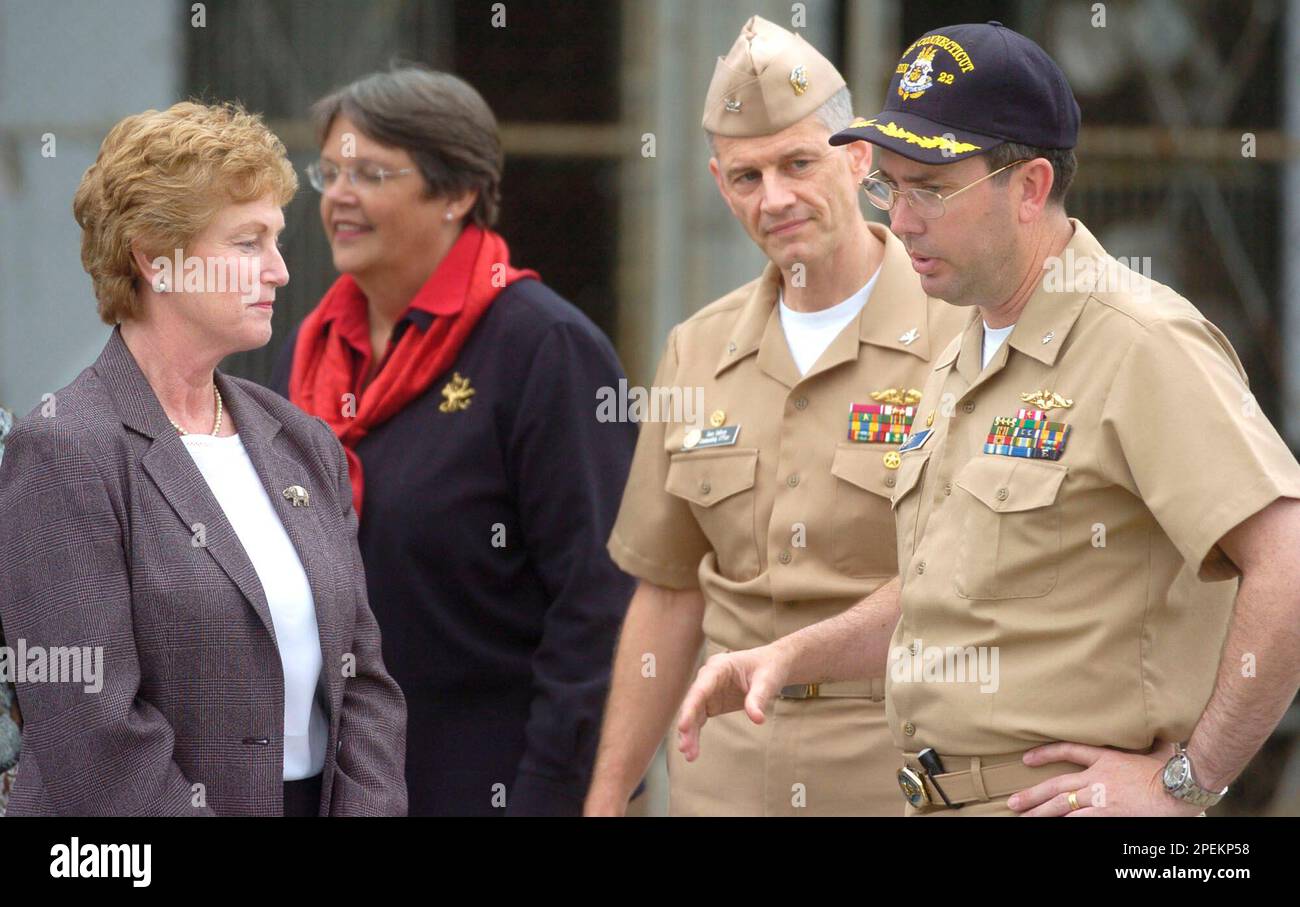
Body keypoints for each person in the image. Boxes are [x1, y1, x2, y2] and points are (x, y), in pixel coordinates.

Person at [677, 21, 1300, 816]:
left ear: (1031, 187)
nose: (900, 220)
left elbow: (1287, 557)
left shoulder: (1139, 340)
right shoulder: (965, 344)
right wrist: (789, 655)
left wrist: (1187, 780)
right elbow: (947, 594)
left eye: (930, 188)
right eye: (889, 186)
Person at [584, 16, 968, 817]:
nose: (777, 198)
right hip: (724, 777)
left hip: (902, 768)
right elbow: (668, 591)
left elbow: (984, 574)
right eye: (748, 177)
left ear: (860, 159)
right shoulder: (697, 351)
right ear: (721, 185)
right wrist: (610, 792)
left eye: (798, 163)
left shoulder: (958, 335)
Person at [0, 102, 407, 816]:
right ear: (155, 257)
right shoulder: (65, 448)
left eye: (276, 239)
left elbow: (365, 683)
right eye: (248, 242)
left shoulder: (301, 439)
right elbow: (92, 733)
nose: (279, 270)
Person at [269, 66, 636, 816]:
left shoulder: (546, 348)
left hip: (490, 782)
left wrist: (552, 795)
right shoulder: (309, 351)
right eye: (329, 171)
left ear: (459, 193)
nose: (338, 195)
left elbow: (598, 602)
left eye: (370, 173)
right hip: (330, 782)